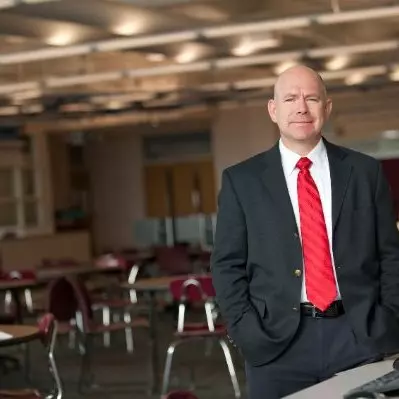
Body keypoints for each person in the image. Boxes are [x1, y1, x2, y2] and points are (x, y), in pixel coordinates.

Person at [210, 65, 399, 399]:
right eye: (290, 99)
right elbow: (227, 265)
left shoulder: (365, 172)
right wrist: (247, 332)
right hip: (276, 345)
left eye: (312, 98)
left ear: (327, 108)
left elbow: (390, 254)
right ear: (273, 110)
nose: (301, 107)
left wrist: (389, 318)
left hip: (359, 336)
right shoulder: (242, 181)